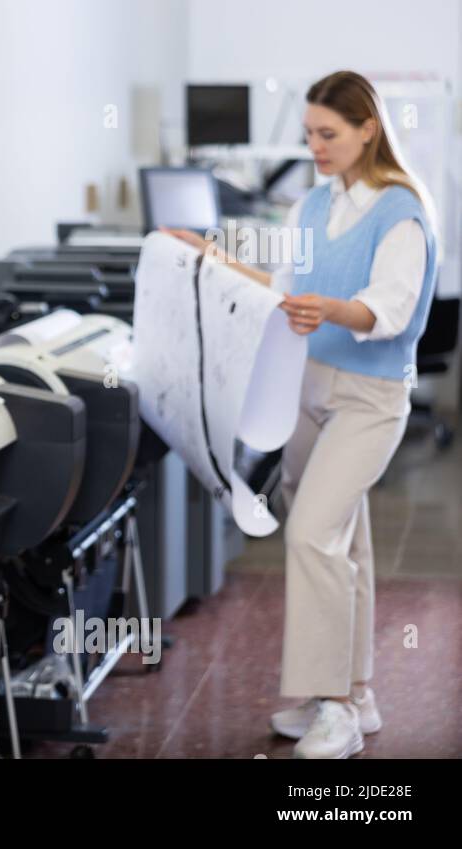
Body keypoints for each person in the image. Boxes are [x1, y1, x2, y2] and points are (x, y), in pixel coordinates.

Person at [166, 70, 439, 758]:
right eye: (309, 134)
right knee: (346, 541)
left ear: (367, 130)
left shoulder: (402, 209)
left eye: (328, 134)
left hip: (370, 397)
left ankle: (337, 709)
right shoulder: (311, 207)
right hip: (307, 386)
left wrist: (334, 309)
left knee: (313, 534)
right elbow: (286, 289)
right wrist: (210, 257)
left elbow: (392, 309)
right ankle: (356, 692)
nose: (314, 146)